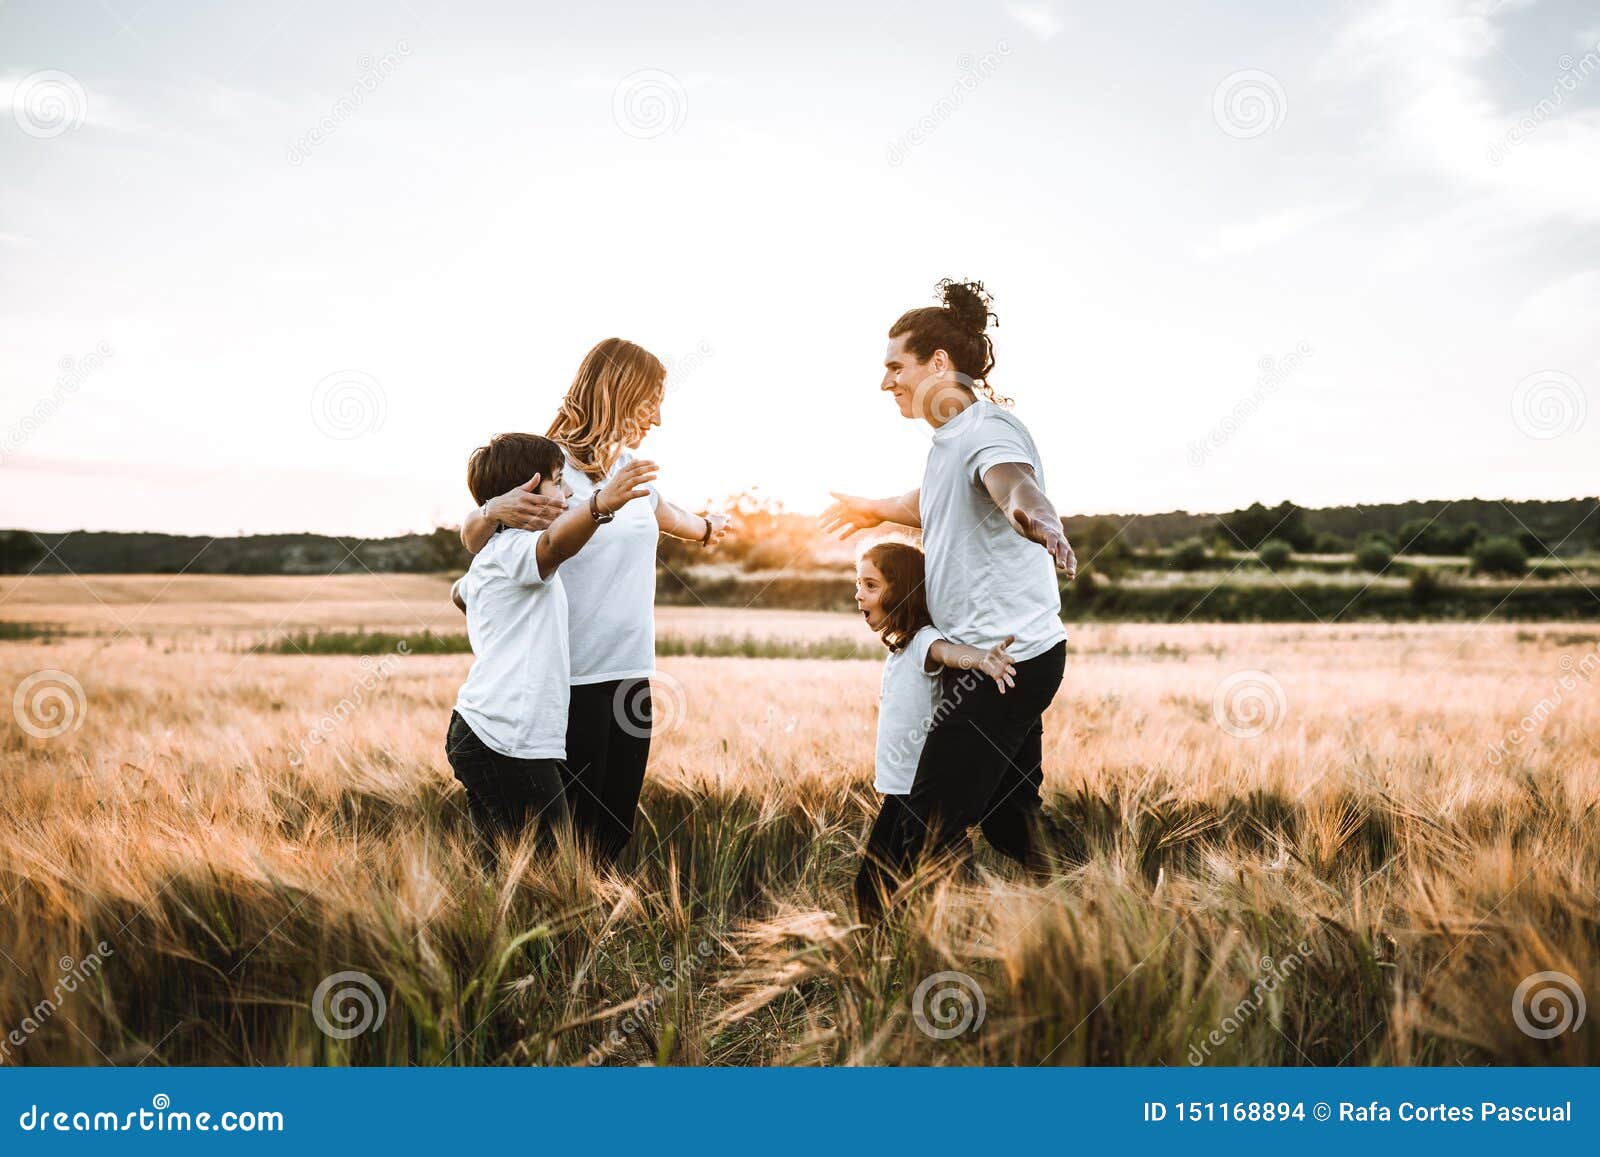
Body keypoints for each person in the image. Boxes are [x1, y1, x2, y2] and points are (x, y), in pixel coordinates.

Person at [821, 278, 1077, 876]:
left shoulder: (988, 431)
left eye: (895, 366)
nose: (887, 382)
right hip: (1006, 657)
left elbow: (1013, 486)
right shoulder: (949, 441)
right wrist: (875, 508)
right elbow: (935, 501)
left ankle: (894, 942)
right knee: (1012, 819)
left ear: (938, 363)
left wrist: (1042, 523)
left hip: (1005, 662)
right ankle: (1100, 898)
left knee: (923, 827)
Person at [457, 339, 733, 863]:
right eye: (651, 399)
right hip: (568, 679)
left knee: (611, 832)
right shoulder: (547, 465)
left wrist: (705, 528)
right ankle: (559, 937)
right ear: (619, 393)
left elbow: (661, 510)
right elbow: (477, 535)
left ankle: (591, 937)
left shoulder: (627, 467)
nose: (658, 416)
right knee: (566, 844)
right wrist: (490, 509)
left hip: (629, 675)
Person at [447, 432, 656, 867]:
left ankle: (489, 934)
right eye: (560, 482)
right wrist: (600, 505)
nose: (568, 494)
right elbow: (554, 545)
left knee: (502, 873)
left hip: (485, 732)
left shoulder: (497, 553)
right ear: (525, 493)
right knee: (555, 870)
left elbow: (461, 593)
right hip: (508, 740)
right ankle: (557, 936)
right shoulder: (520, 548)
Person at [851, 539, 1019, 920]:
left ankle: (982, 932)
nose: (859, 595)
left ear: (904, 589)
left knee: (905, 883)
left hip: (920, 792)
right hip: (901, 790)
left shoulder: (922, 640)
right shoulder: (899, 648)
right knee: (891, 884)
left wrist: (981, 660)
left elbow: (947, 652)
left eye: (871, 585)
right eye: (858, 584)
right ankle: (894, 961)